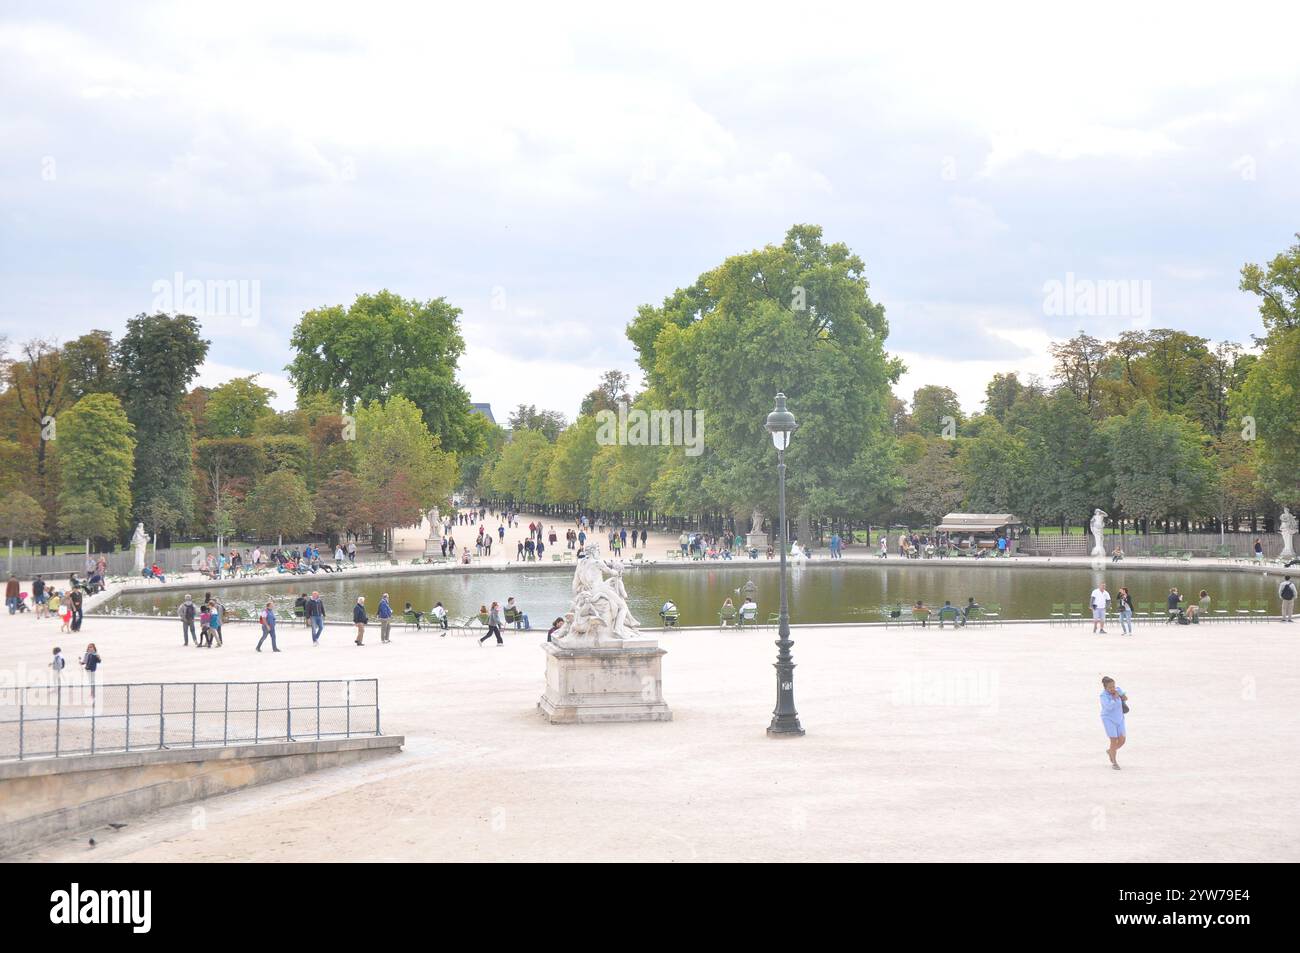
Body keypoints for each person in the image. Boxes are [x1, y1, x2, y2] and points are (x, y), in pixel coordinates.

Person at [1100, 676, 1128, 770]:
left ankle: (1110, 751)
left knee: (1122, 740)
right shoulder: (1103, 696)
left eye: (1113, 686)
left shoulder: (1117, 690)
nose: (1113, 689)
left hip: (1119, 718)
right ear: (1105, 688)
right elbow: (1108, 707)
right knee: (1113, 740)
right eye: (1110, 687)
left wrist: (1121, 695)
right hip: (1108, 719)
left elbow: (1125, 698)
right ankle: (1114, 762)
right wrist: (1114, 699)